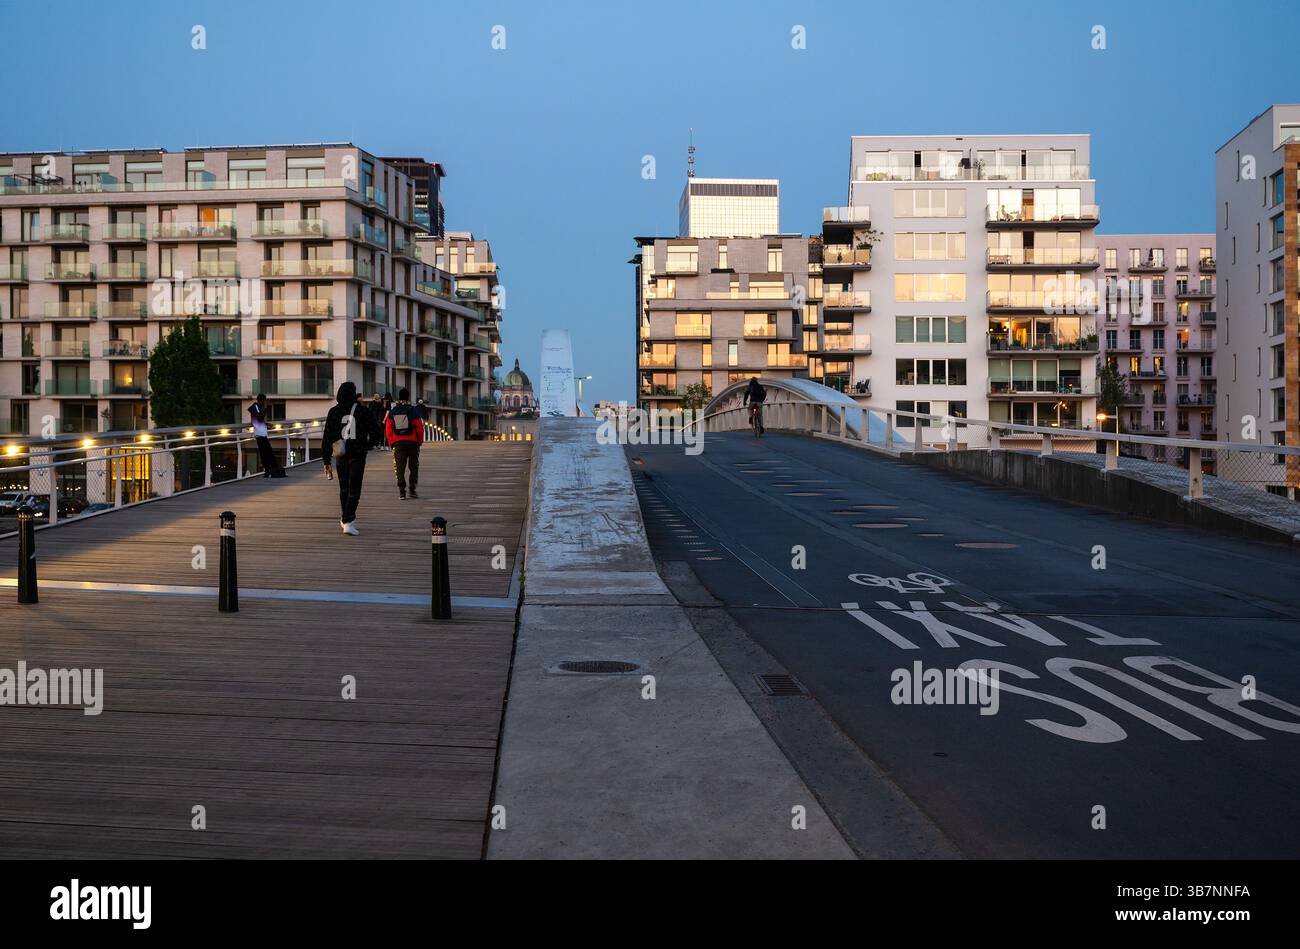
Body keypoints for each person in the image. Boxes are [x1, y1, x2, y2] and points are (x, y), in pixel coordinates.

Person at [323, 381, 381, 535]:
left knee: (344, 488)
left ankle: (346, 519)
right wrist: (368, 445)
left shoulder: (333, 412)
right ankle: (348, 521)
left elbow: (327, 437)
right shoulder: (362, 411)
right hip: (358, 454)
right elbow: (376, 432)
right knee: (354, 488)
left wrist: (326, 460)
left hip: (340, 455)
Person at [385, 387, 424, 500]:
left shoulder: (393, 411)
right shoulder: (413, 410)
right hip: (412, 442)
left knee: (400, 467)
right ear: (408, 397)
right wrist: (419, 441)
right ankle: (412, 489)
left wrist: (392, 442)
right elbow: (419, 427)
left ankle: (402, 491)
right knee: (413, 466)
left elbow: (388, 429)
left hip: (398, 443)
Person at [248, 393, 285, 477]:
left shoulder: (258, 407)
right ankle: (270, 470)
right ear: (262, 400)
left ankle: (269, 470)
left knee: (266, 453)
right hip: (259, 434)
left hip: (262, 434)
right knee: (266, 453)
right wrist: (265, 408)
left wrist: (266, 424)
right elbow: (259, 417)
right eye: (265, 400)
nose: (266, 402)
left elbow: (259, 419)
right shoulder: (256, 407)